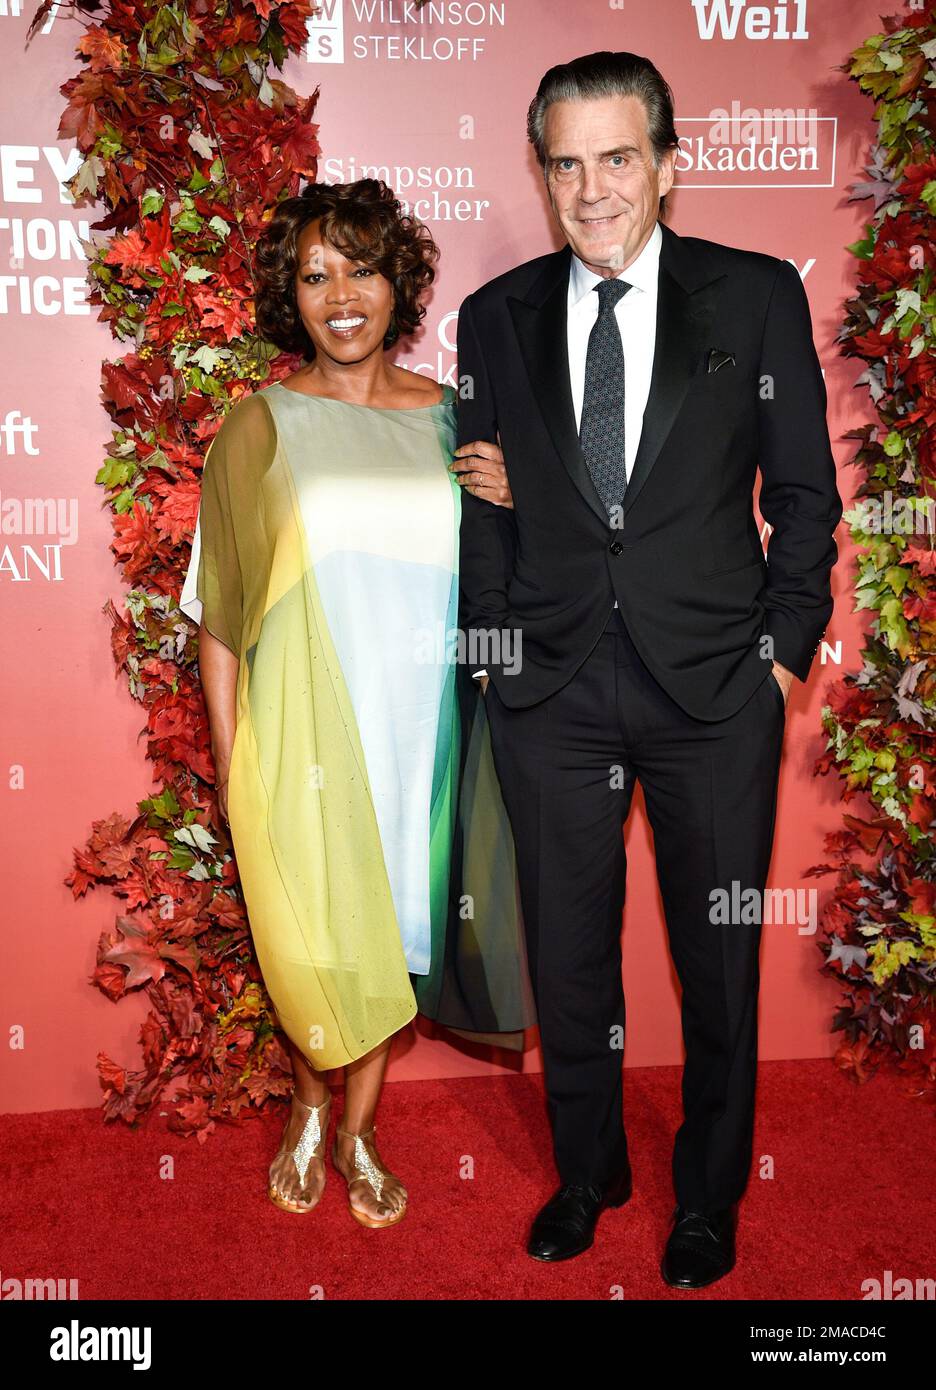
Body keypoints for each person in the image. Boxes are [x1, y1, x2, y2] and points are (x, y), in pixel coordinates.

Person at [457, 51, 842, 1284]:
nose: (591, 189)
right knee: (568, 953)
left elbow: (805, 496)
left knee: (716, 960)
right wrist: (489, 662)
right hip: (551, 688)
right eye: (565, 162)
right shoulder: (495, 316)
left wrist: (782, 657)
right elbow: (486, 510)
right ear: (543, 171)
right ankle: (588, 1173)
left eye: (617, 158)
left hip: (714, 688)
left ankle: (709, 1199)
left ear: (667, 167)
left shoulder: (756, 295)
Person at [179, 178, 533, 1229]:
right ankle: (305, 1104)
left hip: (420, 728)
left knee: (396, 934)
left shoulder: (448, 420)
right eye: (316, 273)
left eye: (362, 269)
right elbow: (218, 616)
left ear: (398, 284)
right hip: (301, 735)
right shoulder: (258, 428)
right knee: (316, 936)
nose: (341, 295)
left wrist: (515, 492)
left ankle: (358, 1133)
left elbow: (515, 563)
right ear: (292, 295)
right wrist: (237, 761)